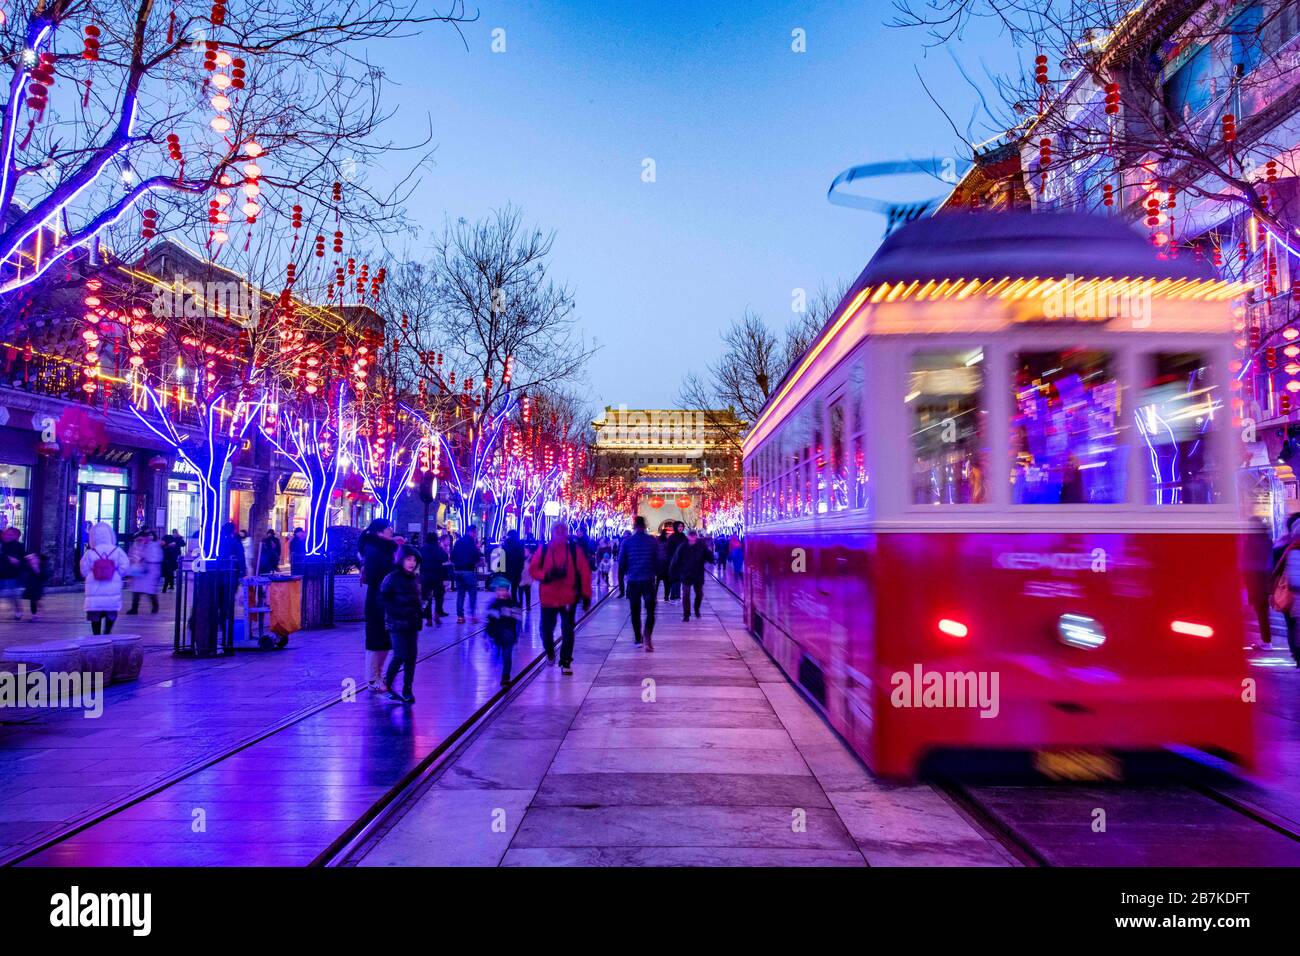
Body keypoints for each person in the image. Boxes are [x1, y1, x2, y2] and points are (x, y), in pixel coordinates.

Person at [529, 522, 592, 675]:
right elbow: (533, 569)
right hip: (551, 597)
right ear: (552, 533)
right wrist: (547, 575)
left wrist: (586, 595)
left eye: (562, 531)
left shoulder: (572, 550)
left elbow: (584, 572)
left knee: (565, 630)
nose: (559, 534)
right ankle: (552, 653)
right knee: (548, 630)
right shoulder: (545, 549)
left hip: (566, 597)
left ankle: (565, 660)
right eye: (557, 531)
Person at [380, 545, 423, 704]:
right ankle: (387, 683)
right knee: (399, 655)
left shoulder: (414, 578)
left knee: (411, 657)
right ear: (401, 559)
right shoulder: (392, 578)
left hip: (412, 623)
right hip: (396, 623)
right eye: (408, 559)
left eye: (414, 560)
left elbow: (418, 601)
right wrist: (396, 613)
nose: (412, 563)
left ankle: (407, 688)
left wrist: (420, 616)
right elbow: (384, 600)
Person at [359, 518, 399, 691]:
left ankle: (378, 676)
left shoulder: (385, 548)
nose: (391, 530)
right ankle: (373, 678)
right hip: (378, 599)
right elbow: (377, 574)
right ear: (379, 533)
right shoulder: (375, 550)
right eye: (388, 528)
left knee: (385, 639)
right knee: (377, 638)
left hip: (386, 598)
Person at [80, 521, 130, 634]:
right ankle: (107, 632)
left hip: (94, 589)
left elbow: (84, 569)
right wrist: (116, 574)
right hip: (112, 587)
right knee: (111, 611)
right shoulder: (117, 551)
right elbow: (124, 567)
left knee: (95, 615)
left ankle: (97, 637)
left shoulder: (90, 552)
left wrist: (91, 574)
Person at [619, 515, 660, 651]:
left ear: (634, 526)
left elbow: (621, 562)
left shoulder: (627, 542)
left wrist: (625, 575)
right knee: (650, 611)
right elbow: (658, 560)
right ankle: (647, 636)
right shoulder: (652, 541)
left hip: (633, 581)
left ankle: (638, 638)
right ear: (645, 526)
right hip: (648, 580)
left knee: (635, 611)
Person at [485, 574, 523, 686]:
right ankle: (500, 668)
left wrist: (517, 634)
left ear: (507, 590)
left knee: (506, 654)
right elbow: (489, 621)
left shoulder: (513, 604)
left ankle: (505, 676)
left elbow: (518, 621)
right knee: (498, 653)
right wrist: (487, 636)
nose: (500, 592)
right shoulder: (493, 605)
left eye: (503, 590)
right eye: (498, 590)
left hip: (508, 635)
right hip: (497, 635)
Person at [670, 529, 712, 622]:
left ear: (696, 536)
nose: (693, 537)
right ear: (688, 536)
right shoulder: (682, 547)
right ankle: (686, 614)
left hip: (698, 574)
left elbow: (709, 556)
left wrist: (712, 557)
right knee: (686, 594)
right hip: (686, 573)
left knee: (699, 594)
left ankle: (696, 609)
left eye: (694, 536)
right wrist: (673, 571)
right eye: (691, 535)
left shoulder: (701, 546)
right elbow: (676, 559)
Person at [126, 529, 163, 614]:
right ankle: (134, 608)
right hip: (139, 570)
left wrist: (144, 558)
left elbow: (155, 558)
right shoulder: (138, 545)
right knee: (136, 590)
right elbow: (133, 555)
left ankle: (155, 606)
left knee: (150, 590)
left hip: (150, 571)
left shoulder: (154, 546)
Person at [451, 526, 483, 623]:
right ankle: (472, 616)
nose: (476, 534)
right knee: (472, 594)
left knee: (460, 594)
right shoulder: (472, 543)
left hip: (457, 571)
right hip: (468, 571)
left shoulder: (458, 542)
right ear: (472, 532)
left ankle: (460, 617)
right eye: (475, 532)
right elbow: (477, 558)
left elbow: (452, 557)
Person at [419, 532, 450, 625]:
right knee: (439, 596)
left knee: (426, 597)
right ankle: (436, 614)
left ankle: (428, 618)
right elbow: (445, 558)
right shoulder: (438, 549)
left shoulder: (422, 549)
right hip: (437, 576)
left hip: (425, 576)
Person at [0, 526, 25, 620]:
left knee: (13, 595)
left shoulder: (19, 546)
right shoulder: (2, 544)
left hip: (12, 575)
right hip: (1, 573)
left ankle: (18, 610)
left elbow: (24, 559)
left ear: (15, 536)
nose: (8, 536)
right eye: (7, 534)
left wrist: (18, 562)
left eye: (11, 534)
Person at [22, 550, 48, 621]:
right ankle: (36, 614)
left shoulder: (42, 567)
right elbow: (22, 565)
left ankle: (35, 614)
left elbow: (44, 577)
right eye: (32, 559)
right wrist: (27, 558)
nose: (33, 560)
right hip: (31, 586)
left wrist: (37, 569)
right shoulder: (29, 566)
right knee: (34, 600)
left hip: (38, 587)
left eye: (34, 559)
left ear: (39, 560)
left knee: (35, 599)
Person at [503, 529, 526, 603]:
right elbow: (522, 557)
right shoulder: (520, 545)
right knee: (514, 588)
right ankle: (514, 602)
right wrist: (521, 568)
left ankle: (505, 602)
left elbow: (502, 557)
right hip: (517, 569)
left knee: (505, 587)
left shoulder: (506, 544)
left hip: (507, 569)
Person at [518, 543, 535, 612]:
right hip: (523, 576)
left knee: (525, 592)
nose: (526, 551)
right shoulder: (523, 557)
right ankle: (523, 605)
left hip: (526, 576)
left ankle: (525, 605)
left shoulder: (531, 557)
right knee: (523, 592)